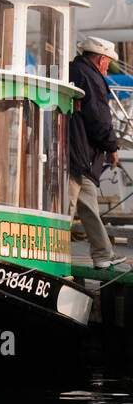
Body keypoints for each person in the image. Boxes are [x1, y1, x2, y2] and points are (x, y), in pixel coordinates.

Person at [69, 35, 121, 269]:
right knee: (69, 207)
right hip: (79, 155)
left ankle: (103, 254)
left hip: (72, 152)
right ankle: (52, 254)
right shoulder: (92, 77)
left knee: (86, 205)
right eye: (108, 63)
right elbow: (99, 119)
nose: (108, 69)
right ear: (101, 59)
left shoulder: (72, 70)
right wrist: (112, 147)